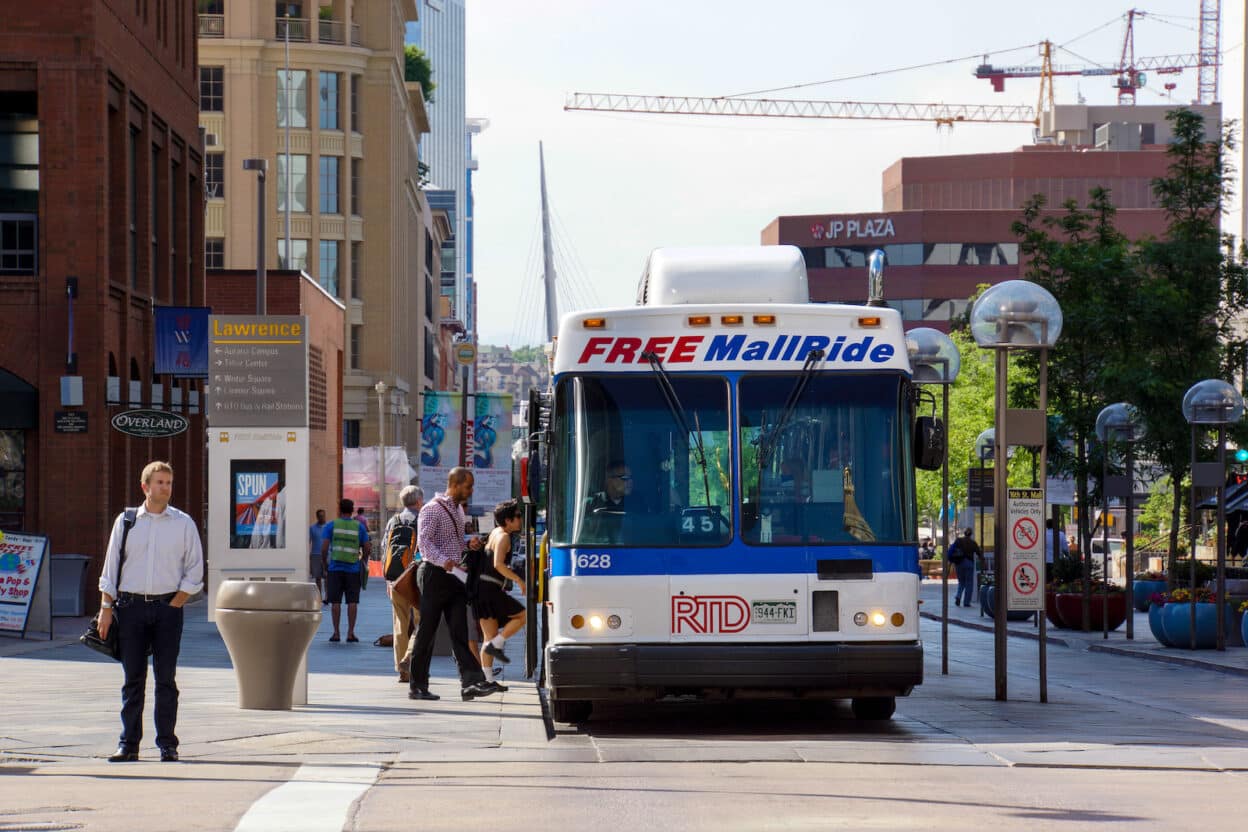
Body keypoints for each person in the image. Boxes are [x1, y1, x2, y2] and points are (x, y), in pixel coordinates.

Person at [97, 461, 204, 763]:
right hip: (130, 608)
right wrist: (106, 608)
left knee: (166, 679)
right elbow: (110, 569)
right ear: (145, 487)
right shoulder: (127, 521)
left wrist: (176, 603)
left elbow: (195, 569)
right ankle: (128, 744)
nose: (165, 488)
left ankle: (167, 744)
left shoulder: (183, 523)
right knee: (133, 678)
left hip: (167, 609)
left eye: (168, 483)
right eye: (159, 482)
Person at [407, 467, 499, 702]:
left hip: (454, 576)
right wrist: (443, 562)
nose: (471, 491)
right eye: (468, 486)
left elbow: (453, 543)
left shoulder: (457, 509)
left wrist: (470, 544)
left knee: (460, 630)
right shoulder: (431, 509)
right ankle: (417, 685)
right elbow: (424, 544)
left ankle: (470, 683)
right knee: (427, 632)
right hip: (434, 576)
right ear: (456, 484)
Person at [477, 499, 527, 683]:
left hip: (482, 589)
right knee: (524, 616)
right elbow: (498, 564)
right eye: (518, 516)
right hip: (491, 589)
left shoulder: (495, 532)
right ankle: (497, 644)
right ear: (507, 520)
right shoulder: (503, 536)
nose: (520, 520)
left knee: (488, 637)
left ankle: (488, 680)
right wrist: (518, 579)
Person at [383, 485, 423, 683]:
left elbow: (385, 549)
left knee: (400, 623)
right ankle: (409, 656)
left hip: (396, 578)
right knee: (421, 622)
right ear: (418, 501)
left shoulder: (394, 520)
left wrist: (388, 578)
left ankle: (402, 670)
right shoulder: (422, 519)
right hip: (416, 577)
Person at [321, 498, 371, 643]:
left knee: (335, 601)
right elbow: (367, 547)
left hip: (335, 569)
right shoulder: (359, 527)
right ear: (352, 509)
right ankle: (350, 633)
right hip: (353, 569)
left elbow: (324, 548)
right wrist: (364, 561)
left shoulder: (331, 525)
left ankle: (336, 633)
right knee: (352, 601)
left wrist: (325, 563)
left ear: (339, 510)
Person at [583, 460, 634, 543]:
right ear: (609, 480)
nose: (630, 482)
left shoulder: (638, 502)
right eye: (625, 478)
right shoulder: (593, 503)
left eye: (631, 478)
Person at [947, 528, 981, 607]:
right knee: (969, 583)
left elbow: (951, 550)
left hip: (959, 563)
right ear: (971, 534)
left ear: (964, 533)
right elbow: (979, 553)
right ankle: (966, 602)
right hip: (969, 563)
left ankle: (958, 596)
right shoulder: (973, 543)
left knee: (961, 581)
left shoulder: (958, 540)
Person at [309, 509, 329, 604]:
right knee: (317, 578)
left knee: (327, 577)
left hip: (327, 555)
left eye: (323, 515)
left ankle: (327, 596)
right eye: (320, 516)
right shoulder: (312, 528)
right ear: (317, 517)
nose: (322, 517)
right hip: (315, 555)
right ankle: (319, 597)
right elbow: (309, 542)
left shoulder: (329, 527)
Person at [356, 507, 371, 590]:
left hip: (355, 539)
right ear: (363, 512)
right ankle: (364, 564)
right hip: (363, 539)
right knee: (365, 554)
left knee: (356, 553)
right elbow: (367, 529)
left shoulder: (354, 518)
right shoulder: (364, 519)